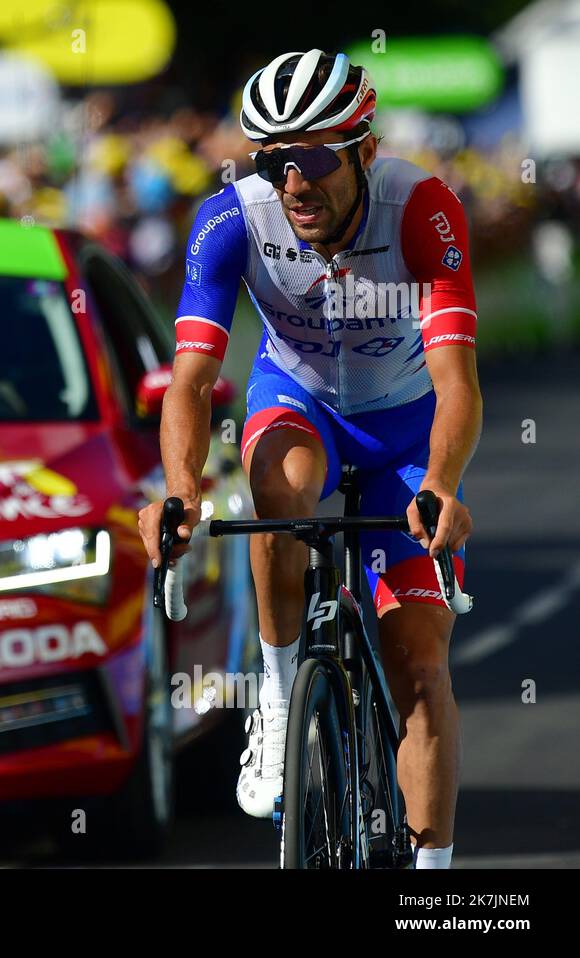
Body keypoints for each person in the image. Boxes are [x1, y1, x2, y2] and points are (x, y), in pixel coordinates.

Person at [137, 50, 480, 869]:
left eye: (315, 158)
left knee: (421, 671)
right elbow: (189, 380)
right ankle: (282, 692)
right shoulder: (230, 218)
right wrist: (182, 492)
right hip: (303, 408)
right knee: (278, 493)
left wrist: (438, 486)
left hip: (405, 430)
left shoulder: (422, 210)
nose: (294, 182)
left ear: (365, 151)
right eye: (273, 160)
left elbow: (456, 380)